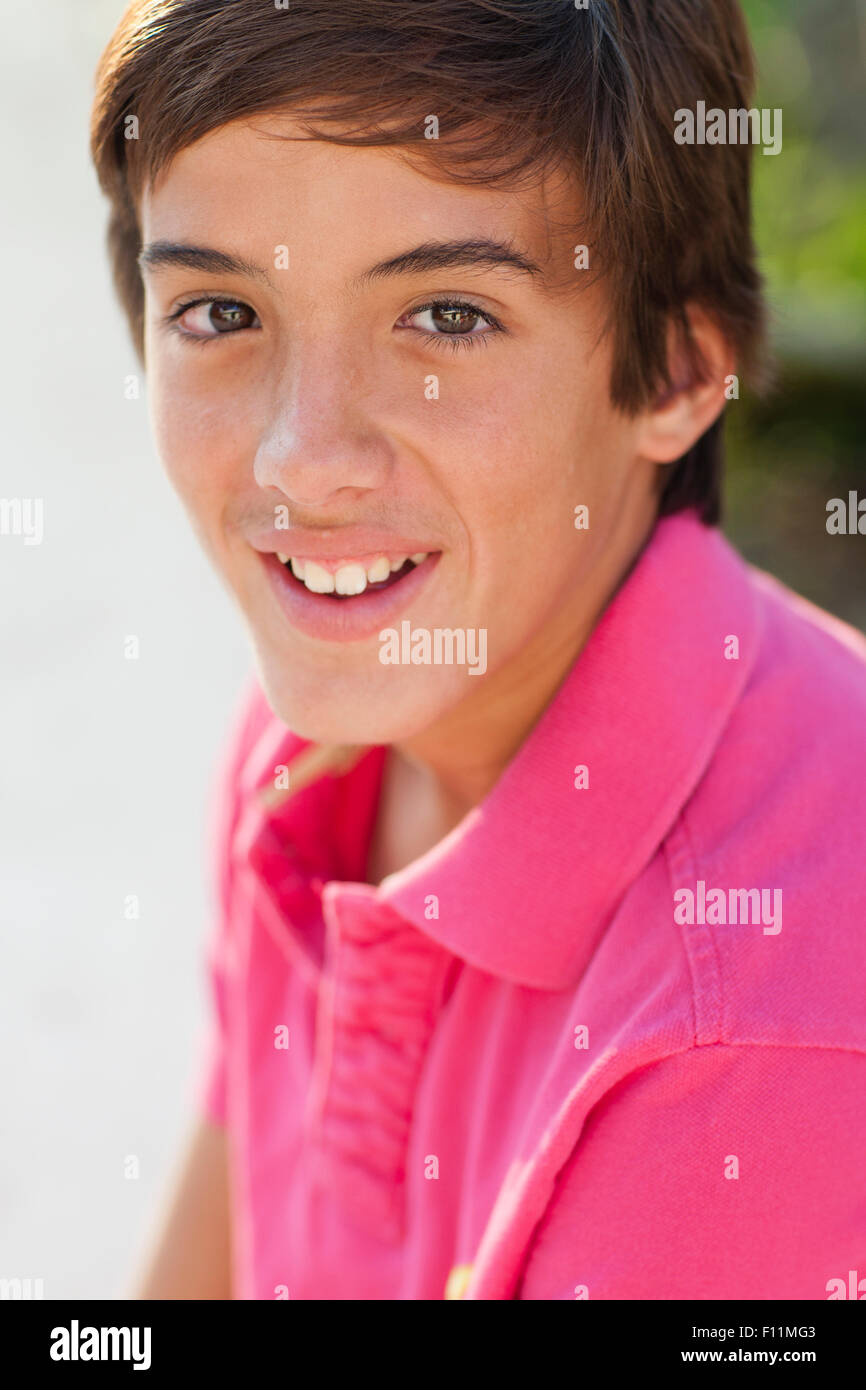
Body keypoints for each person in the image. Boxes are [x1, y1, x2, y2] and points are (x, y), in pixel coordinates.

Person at [90, 0, 866, 1300]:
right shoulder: (318, 742)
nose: (300, 461)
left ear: (675, 368)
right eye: (222, 311)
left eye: (445, 317)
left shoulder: (759, 1038)